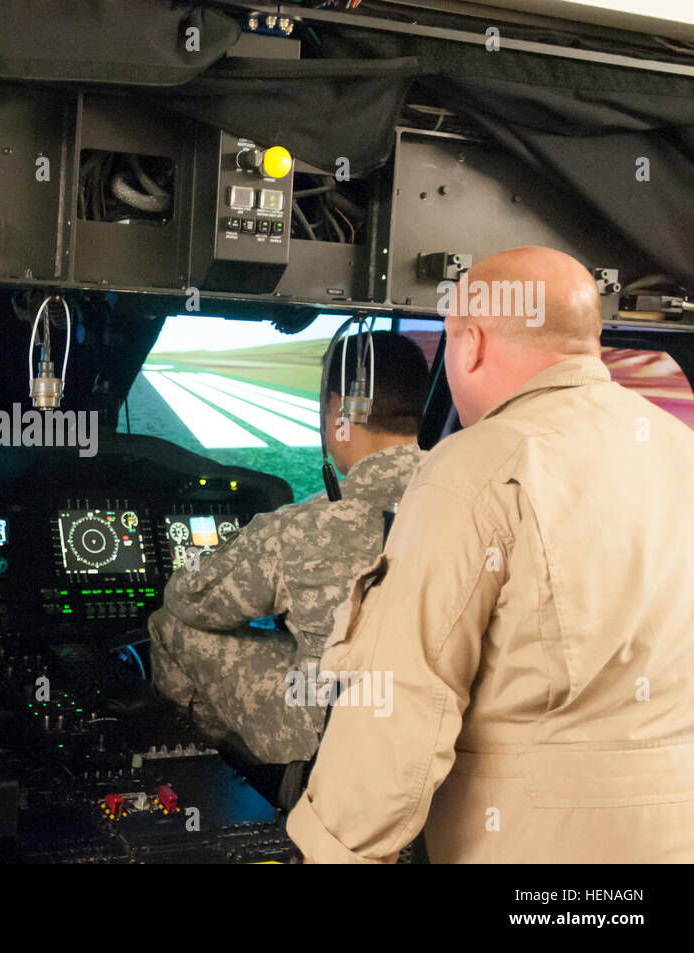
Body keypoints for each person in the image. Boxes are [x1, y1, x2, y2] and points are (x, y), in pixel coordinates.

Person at [287, 246, 694, 863]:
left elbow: (401, 703)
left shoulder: (479, 466)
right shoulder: (677, 447)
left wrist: (333, 852)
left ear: (471, 343)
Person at [148, 330, 430, 764]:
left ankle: (230, 773)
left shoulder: (303, 526)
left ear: (339, 408)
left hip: (338, 741)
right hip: (438, 729)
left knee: (169, 623)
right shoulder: (475, 503)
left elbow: (190, 599)